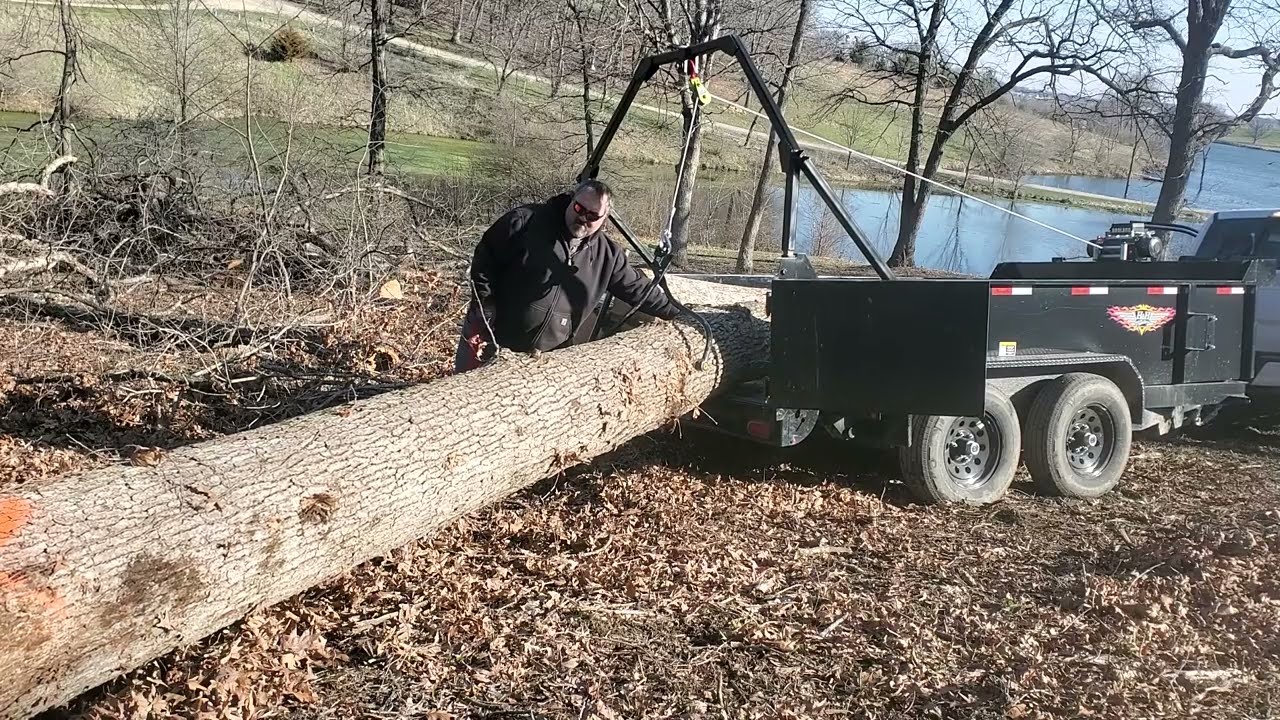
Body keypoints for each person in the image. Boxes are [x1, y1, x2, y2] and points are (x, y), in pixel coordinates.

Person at [454, 179, 682, 373]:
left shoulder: (607, 256)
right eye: (579, 209)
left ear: (605, 218)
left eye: (592, 215)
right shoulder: (525, 222)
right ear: (571, 199)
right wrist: (485, 305)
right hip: (494, 335)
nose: (583, 218)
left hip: (547, 357)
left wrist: (677, 314)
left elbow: (638, 290)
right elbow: (485, 259)